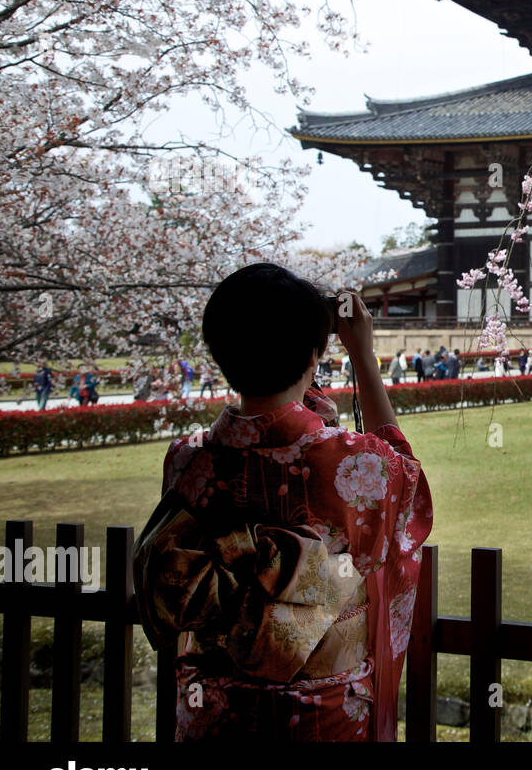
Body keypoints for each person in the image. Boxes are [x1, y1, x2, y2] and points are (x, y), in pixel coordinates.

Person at [132, 262, 433, 742]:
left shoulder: (186, 461)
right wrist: (362, 357)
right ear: (314, 355)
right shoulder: (357, 463)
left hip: (212, 708)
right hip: (324, 713)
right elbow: (408, 489)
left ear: (218, 351)